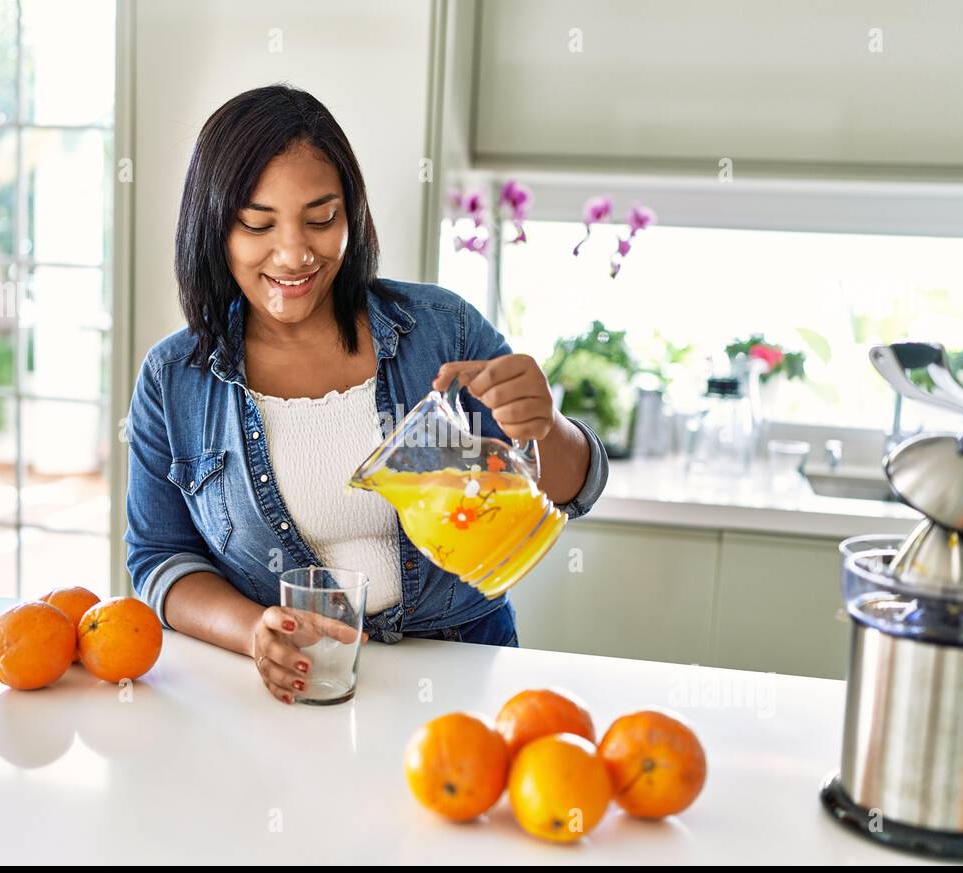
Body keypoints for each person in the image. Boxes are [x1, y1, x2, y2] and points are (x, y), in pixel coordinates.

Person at [125, 84, 608, 704]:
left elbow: (567, 492)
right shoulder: (174, 378)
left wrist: (546, 427)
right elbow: (159, 558)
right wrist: (256, 633)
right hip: (294, 683)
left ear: (352, 212)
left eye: (322, 218)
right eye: (257, 224)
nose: (295, 253)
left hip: (461, 667)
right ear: (213, 226)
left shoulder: (442, 329)